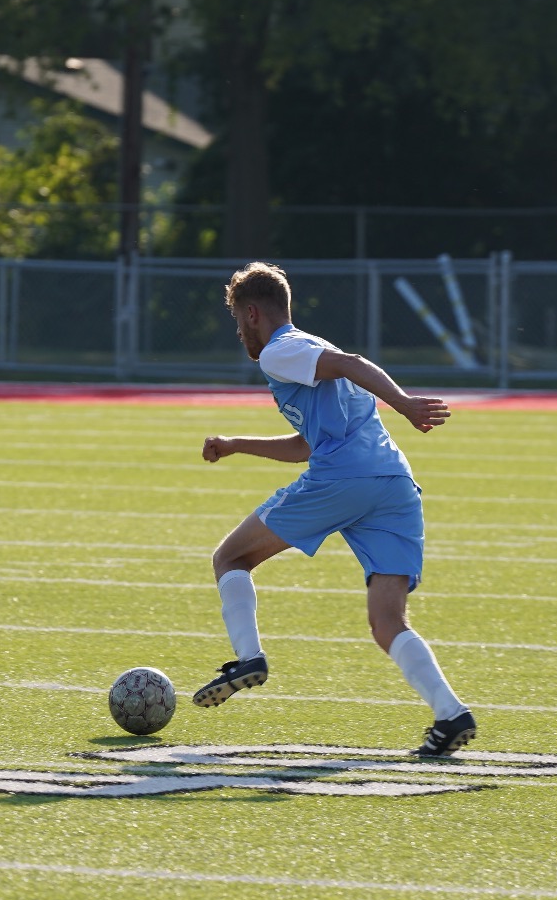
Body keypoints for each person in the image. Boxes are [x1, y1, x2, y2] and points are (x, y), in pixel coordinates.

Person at [195, 262, 476, 755]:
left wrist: (404, 403)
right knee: (388, 623)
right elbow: (306, 444)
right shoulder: (303, 347)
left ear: (254, 314)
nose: (240, 334)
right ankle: (451, 715)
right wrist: (237, 443)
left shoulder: (280, 350)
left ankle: (248, 659)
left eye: (240, 322)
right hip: (392, 483)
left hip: (345, 478)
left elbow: (351, 362)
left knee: (230, 558)